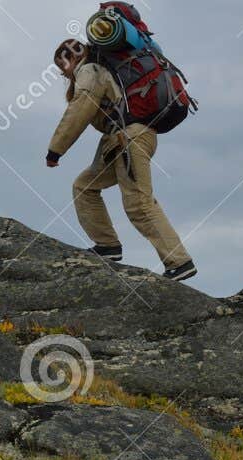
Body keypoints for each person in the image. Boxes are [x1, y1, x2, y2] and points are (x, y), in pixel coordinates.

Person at [46, 37, 196, 281]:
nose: (63, 73)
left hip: (130, 139)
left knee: (139, 204)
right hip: (119, 141)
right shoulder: (102, 68)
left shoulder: (90, 70)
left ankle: (179, 262)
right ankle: (107, 246)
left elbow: (80, 109)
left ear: (72, 57)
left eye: (62, 65)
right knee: (84, 186)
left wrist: (55, 150)